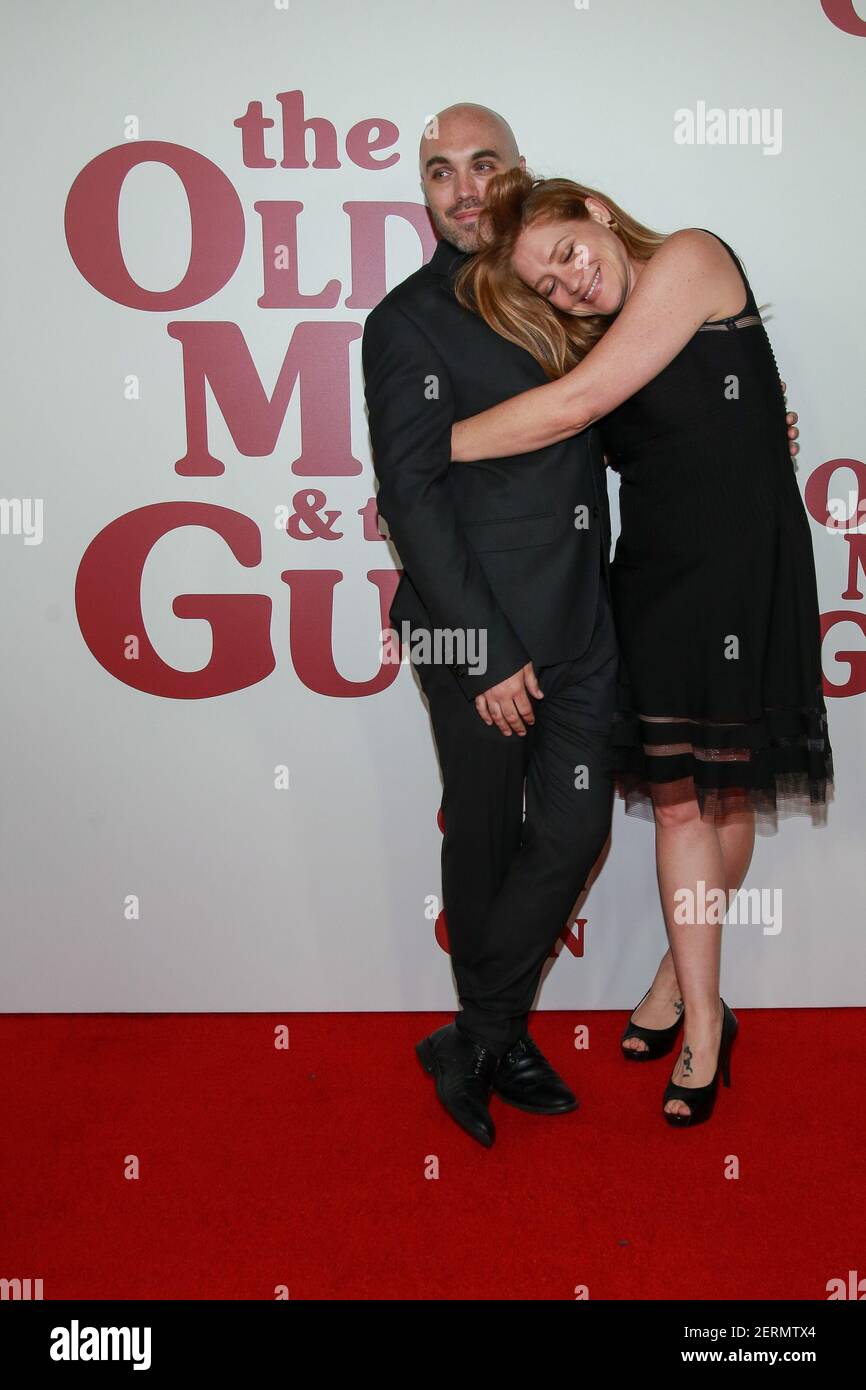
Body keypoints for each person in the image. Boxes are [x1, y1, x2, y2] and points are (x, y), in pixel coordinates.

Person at [449, 168, 833, 1126]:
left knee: (726, 790)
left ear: (601, 215)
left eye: (568, 255)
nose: (568, 284)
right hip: (655, 582)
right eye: (545, 284)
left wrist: (430, 447)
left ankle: (694, 1013)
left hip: (746, 572)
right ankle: (697, 994)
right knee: (679, 809)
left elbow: (577, 407)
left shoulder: (694, 257)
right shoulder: (601, 341)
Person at [362, 106, 618, 1148]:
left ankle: (473, 1030)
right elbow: (409, 496)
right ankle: (497, 1035)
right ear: (420, 196)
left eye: (481, 164)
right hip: (473, 635)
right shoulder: (404, 322)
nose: (463, 187)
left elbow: (611, 410)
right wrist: (486, 650)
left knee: (573, 831)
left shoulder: (559, 282)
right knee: (484, 833)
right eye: (437, 173)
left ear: (519, 171)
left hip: (580, 618)